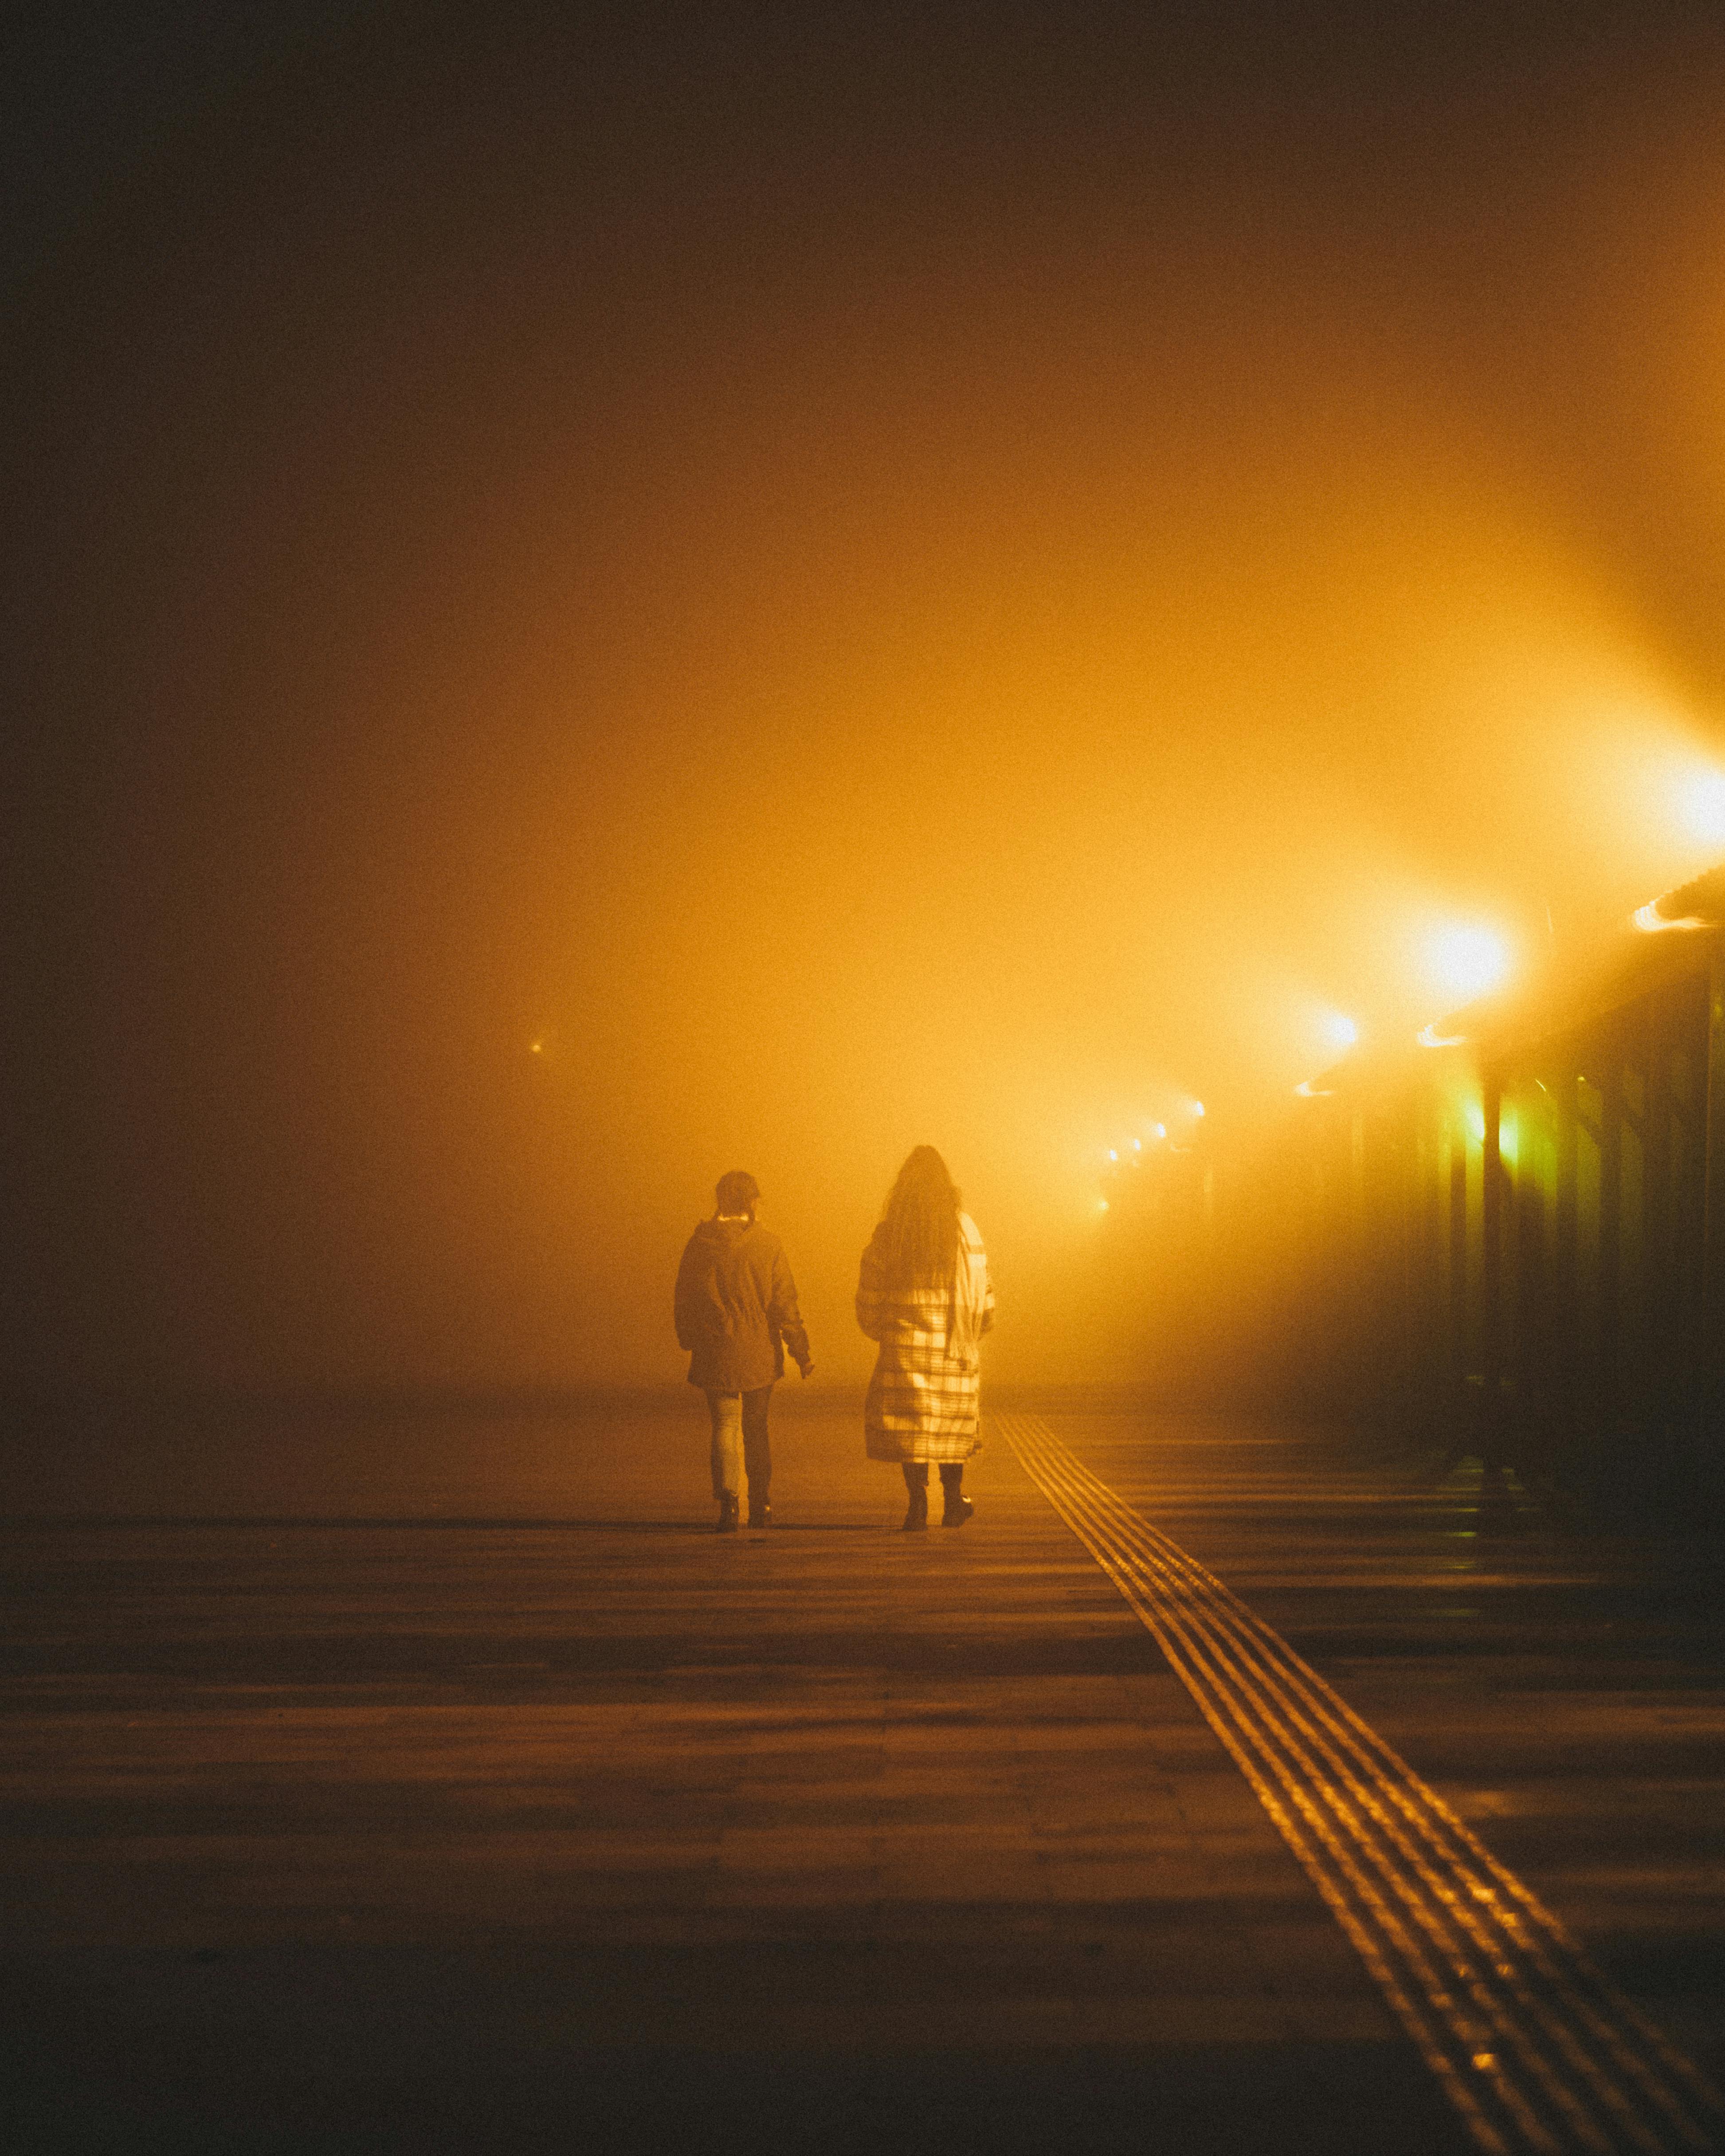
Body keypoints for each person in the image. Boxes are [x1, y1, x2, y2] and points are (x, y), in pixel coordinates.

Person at [855, 1146, 993, 1529]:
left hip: (906, 1349)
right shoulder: (965, 1230)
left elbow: (870, 1294)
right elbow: (985, 1291)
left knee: (911, 1427)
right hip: (954, 1348)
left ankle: (917, 1502)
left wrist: (882, 1330)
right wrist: (976, 1329)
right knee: (950, 1427)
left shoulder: (891, 1234)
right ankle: (952, 1499)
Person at [674, 1171, 814, 1532]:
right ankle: (761, 1504)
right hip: (758, 1351)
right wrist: (800, 1350)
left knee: (724, 1424)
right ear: (752, 1201)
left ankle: (729, 1505)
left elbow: (684, 1297)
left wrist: (688, 1338)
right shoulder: (768, 1244)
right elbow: (785, 1303)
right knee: (756, 1428)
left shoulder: (700, 1244)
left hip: (715, 1346)